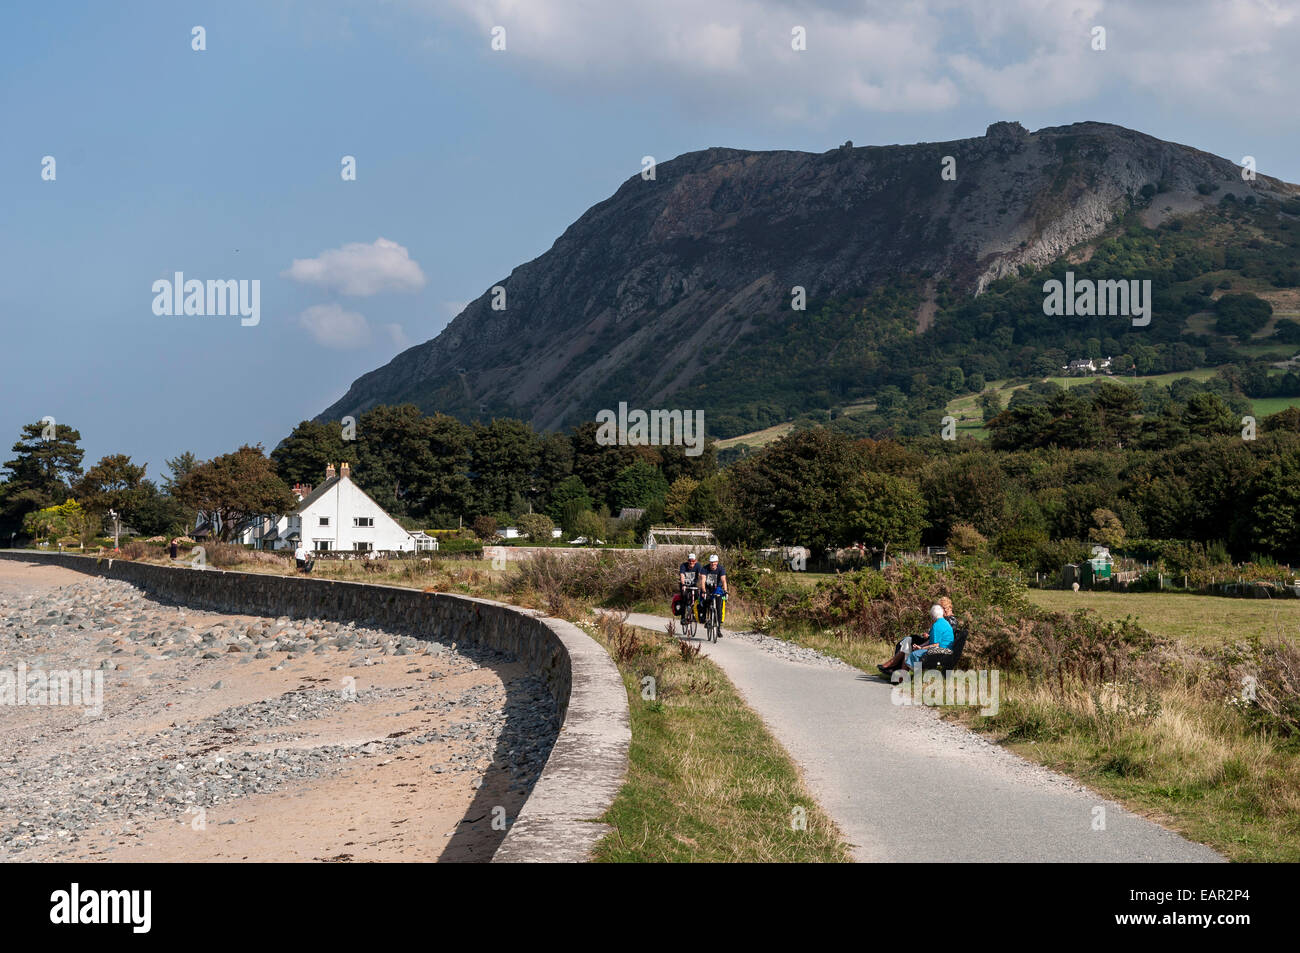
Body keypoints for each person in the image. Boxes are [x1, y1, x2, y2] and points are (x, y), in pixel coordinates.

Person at [878, 604, 954, 676]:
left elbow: (935, 644)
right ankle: (902, 676)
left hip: (941, 651)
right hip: (945, 649)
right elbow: (931, 640)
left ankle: (901, 674)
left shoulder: (937, 625)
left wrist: (921, 648)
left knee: (913, 653)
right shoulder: (944, 623)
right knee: (909, 647)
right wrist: (920, 646)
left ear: (933, 616)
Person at [698, 554, 728, 636]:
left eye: (714, 563)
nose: (713, 565)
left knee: (719, 608)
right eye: (711, 563)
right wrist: (704, 591)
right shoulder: (705, 568)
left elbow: (724, 580)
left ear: (717, 562)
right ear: (709, 563)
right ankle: (704, 618)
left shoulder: (721, 569)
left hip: (717, 588)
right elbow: (703, 581)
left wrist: (725, 591)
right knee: (704, 601)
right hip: (707, 588)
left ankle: (718, 629)